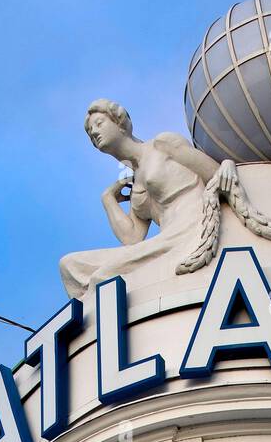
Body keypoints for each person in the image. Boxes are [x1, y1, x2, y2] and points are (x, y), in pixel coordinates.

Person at [59, 99, 233, 298]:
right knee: (70, 266)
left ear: (120, 122)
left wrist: (228, 164)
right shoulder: (134, 182)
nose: (95, 133)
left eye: (99, 124)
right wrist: (108, 199)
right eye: (91, 132)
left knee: (103, 278)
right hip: (165, 240)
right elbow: (132, 238)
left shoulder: (162, 145)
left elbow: (214, 173)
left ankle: (108, 313)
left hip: (191, 229)